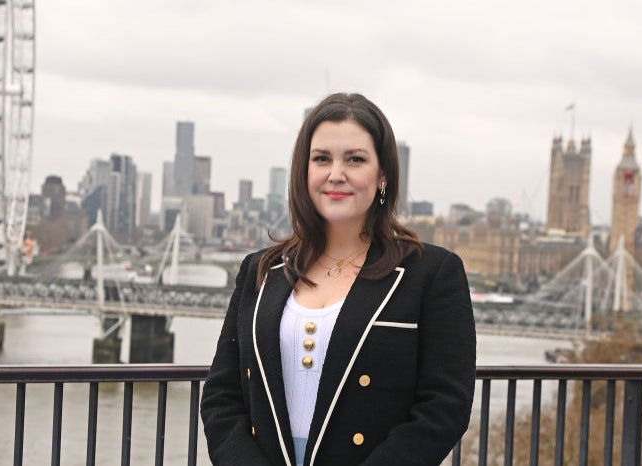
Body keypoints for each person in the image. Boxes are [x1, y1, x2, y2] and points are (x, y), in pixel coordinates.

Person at [201, 92, 476, 466]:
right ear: (304, 171)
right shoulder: (261, 270)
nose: (336, 174)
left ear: (382, 175)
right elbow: (222, 394)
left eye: (355, 159)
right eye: (321, 159)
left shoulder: (430, 273)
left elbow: (444, 407)